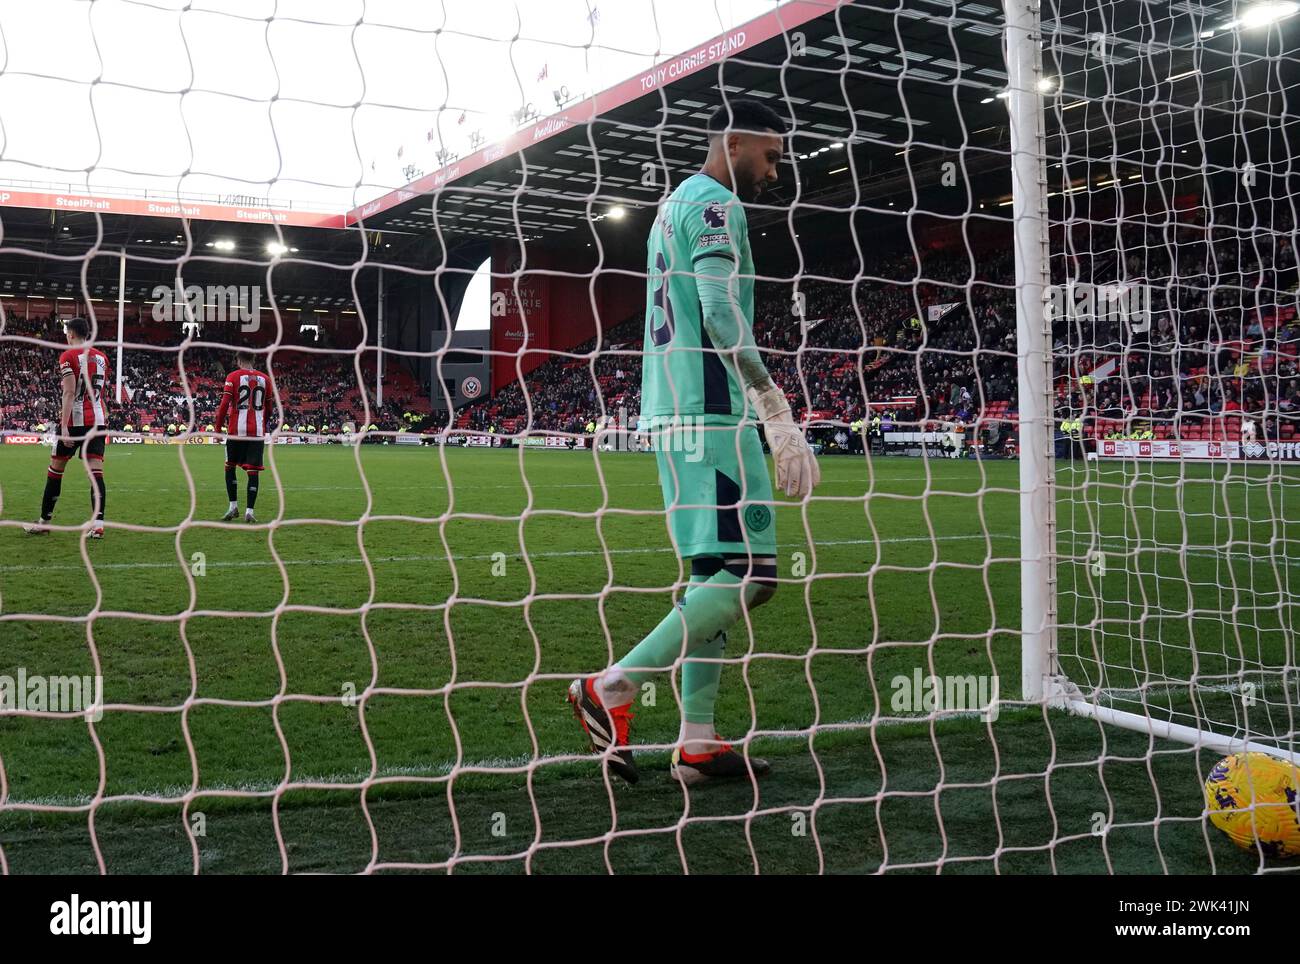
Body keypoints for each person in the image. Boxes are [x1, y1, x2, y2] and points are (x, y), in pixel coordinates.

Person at [567, 98, 820, 787]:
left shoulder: (672, 207)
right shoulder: (713, 206)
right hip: (713, 414)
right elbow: (717, 308)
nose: (774, 172)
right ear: (734, 142)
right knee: (755, 577)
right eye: (770, 156)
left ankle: (697, 744)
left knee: (713, 577)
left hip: (671, 413)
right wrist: (773, 404)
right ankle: (612, 685)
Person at [24, 317, 109, 538]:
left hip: (75, 423)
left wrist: (63, 427)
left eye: (66, 332)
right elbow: (99, 393)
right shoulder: (102, 358)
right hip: (98, 422)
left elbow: (70, 392)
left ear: (71, 334)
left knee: (56, 469)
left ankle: (44, 522)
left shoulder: (68, 356)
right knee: (96, 473)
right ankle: (98, 525)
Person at [213, 350, 271, 523]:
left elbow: (224, 405)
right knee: (253, 472)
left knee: (229, 467)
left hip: (236, 432)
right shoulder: (265, 379)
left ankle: (233, 507)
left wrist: (217, 429)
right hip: (256, 434)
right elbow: (270, 409)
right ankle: (249, 512)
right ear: (253, 359)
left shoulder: (233, 376)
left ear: (238, 359)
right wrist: (262, 424)